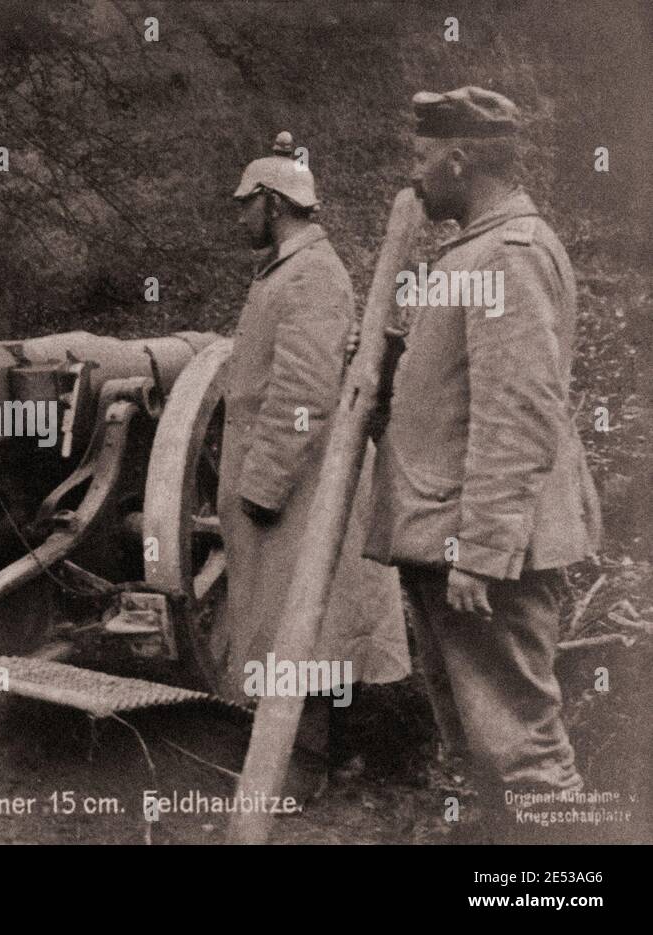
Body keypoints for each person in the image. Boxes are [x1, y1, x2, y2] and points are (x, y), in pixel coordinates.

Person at [365, 87, 602, 832]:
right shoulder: (477, 248)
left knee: (523, 752)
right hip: (452, 536)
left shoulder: (510, 253)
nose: (415, 177)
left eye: (422, 159)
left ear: (460, 159)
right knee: (480, 744)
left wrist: (481, 549)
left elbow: (518, 413)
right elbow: (467, 387)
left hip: (485, 551)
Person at [214, 132, 409, 733]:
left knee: (311, 627)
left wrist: (264, 486)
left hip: (296, 487)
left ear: (273, 204)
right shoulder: (283, 272)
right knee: (286, 625)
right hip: (278, 479)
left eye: (247, 202)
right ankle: (299, 750)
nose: (240, 214)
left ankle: (314, 756)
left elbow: (303, 394)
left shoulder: (313, 276)